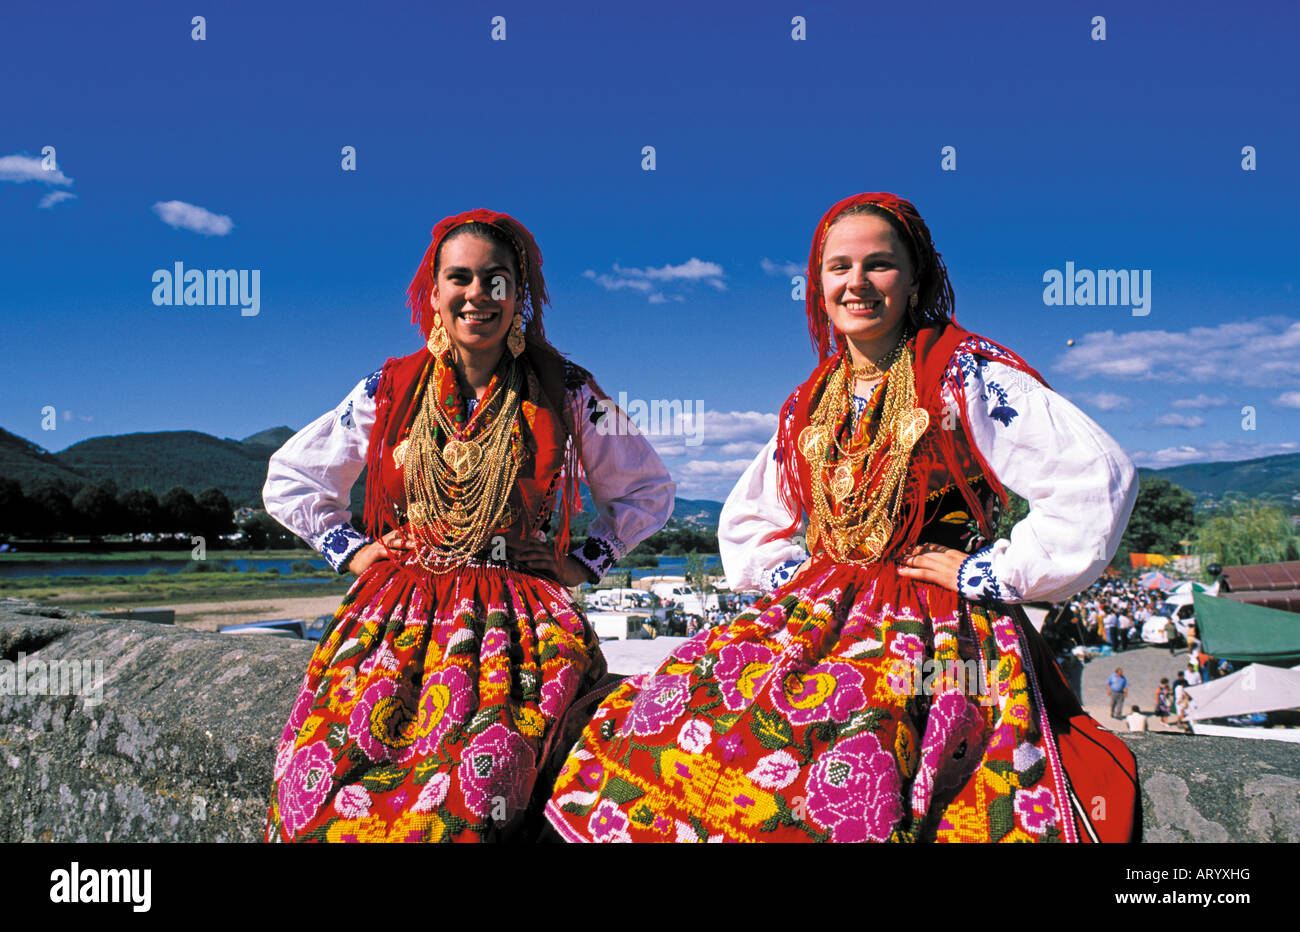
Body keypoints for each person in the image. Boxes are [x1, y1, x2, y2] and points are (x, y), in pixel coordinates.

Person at [544, 192, 1139, 843]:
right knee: (685, 704)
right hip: (824, 603)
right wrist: (805, 581)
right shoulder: (811, 399)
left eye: (879, 264)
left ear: (916, 280)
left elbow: (1096, 479)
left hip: (928, 615)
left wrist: (986, 572)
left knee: (846, 747)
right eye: (839, 267)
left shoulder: (961, 374)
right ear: (818, 285)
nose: (857, 283)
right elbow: (749, 522)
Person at [261, 209, 675, 842]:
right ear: (434, 293)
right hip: (396, 611)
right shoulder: (391, 387)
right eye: (460, 278)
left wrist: (581, 562)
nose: (478, 294)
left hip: (518, 613)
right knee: (326, 769)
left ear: (521, 295)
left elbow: (645, 487)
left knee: (487, 781)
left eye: (496, 280)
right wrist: (354, 550)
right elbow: (293, 478)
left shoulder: (564, 390)